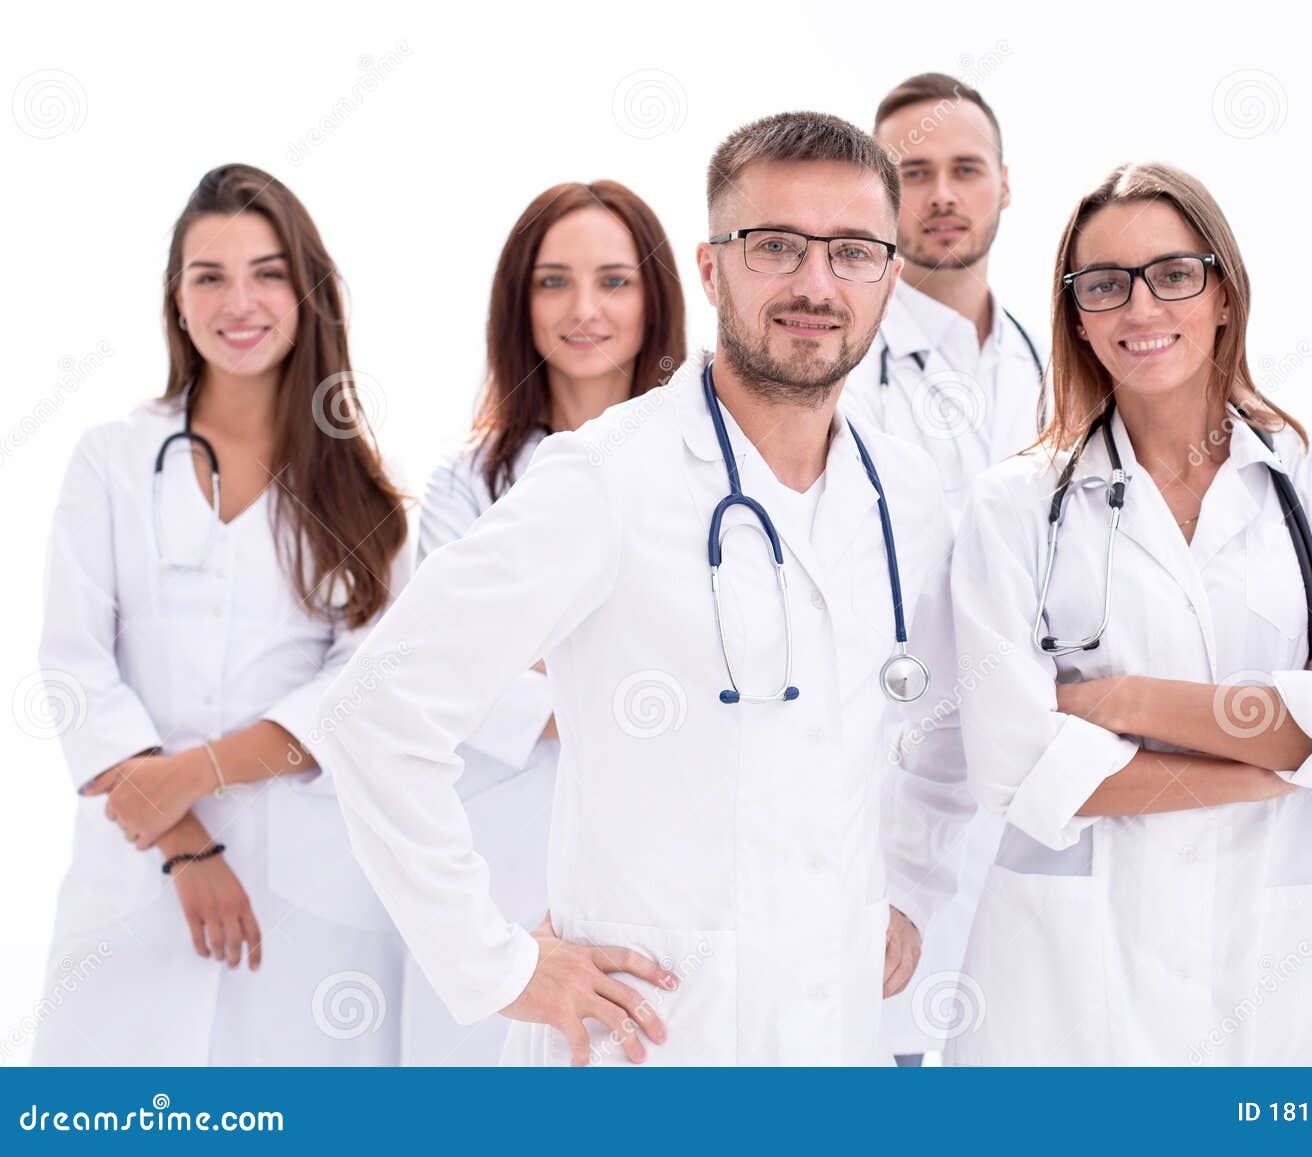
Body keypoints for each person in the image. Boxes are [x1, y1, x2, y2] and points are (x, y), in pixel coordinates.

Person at [317, 112, 971, 1066]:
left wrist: (911, 885)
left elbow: (945, 725)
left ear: (891, 274)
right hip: (650, 1049)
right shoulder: (606, 477)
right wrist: (497, 965)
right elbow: (373, 714)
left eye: (854, 252)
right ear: (710, 271)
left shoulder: (905, 493)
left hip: (833, 1042)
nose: (816, 284)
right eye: (776, 246)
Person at [946, 162, 1312, 1064]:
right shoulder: (1012, 506)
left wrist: (1119, 702)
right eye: (1105, 285)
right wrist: (1274, 755)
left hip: (1267, 966)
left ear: (1223, 295)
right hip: (1060, 995)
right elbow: (1015, 768)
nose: (1140, 307)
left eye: (1173, 274)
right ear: (1079, 318)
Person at [32, 164, 411, 1065]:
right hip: (137, 884)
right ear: (177, 300)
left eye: (268, 272)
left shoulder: (363, 495)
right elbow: (74, 669)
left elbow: (361, 696)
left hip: (309, 905)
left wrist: (198, 768)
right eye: (210, 276)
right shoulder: (113, 460)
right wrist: (187, 846)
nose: (239, 301)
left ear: (306, 291)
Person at [402, 179, 686, 1065]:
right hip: (496, 853)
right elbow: (451, 682)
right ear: (518, 305)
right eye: (553, 282)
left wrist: (549, 673)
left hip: (660, 856)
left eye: (613, 280)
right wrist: (635, 683)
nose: (584, 309)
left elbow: (718, 671)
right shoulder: (465, 485)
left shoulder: (705, 479)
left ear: (655, 300)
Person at [842, 71, 1046, 1063]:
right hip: (885, 819)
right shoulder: (833, 372)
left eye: (964, 169)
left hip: (1039, 809)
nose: (941, 195)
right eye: (910, 173)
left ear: (1006, 184)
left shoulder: (1058, 369)